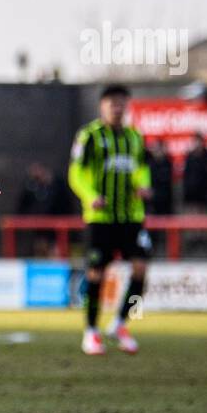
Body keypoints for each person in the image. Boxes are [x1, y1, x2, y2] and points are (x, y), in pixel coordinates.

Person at [68, 85, 152, 356]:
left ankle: (119, 324)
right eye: (112, 103)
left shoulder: (134, 137)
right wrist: (90, 195)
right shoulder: (89, 136)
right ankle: (91, 331)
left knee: (140, 270)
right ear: (102, 106)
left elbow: (141, 169)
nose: (117, 108)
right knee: (96, 273)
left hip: (130, 216)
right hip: (100, 217)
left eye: (122, 104)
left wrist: (143, 186)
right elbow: (76, 173)